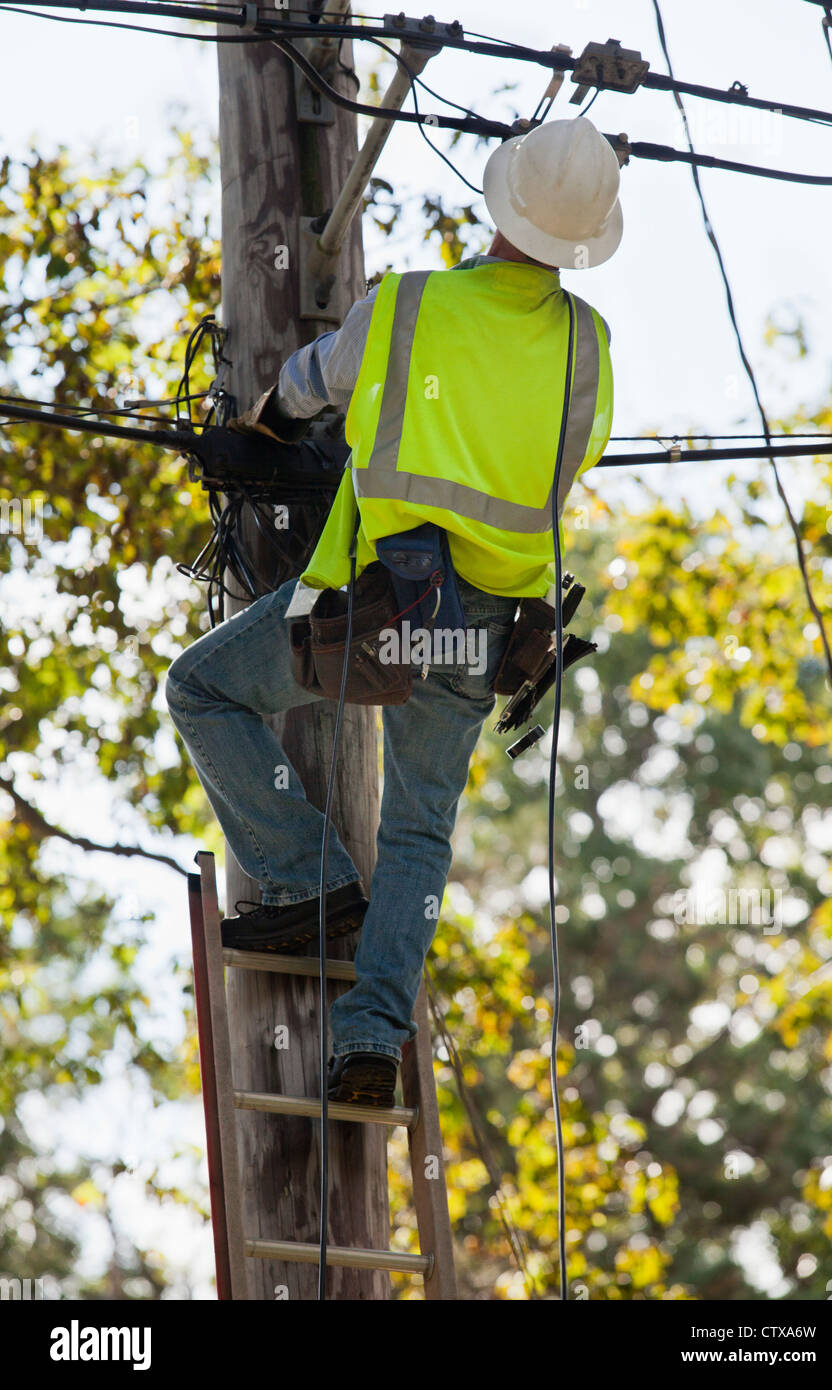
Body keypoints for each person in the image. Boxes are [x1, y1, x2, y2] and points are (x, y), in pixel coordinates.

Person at [166, 116, 621, 1107]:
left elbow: (308, 387)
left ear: (499, 204)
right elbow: (566, 462)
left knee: (200, 688)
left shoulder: (408, 304)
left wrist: (269, 424)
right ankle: (370, 1033)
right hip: (488, 629)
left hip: (369, 602)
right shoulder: (588, 345)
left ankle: (306, 875)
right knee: (419, 835)